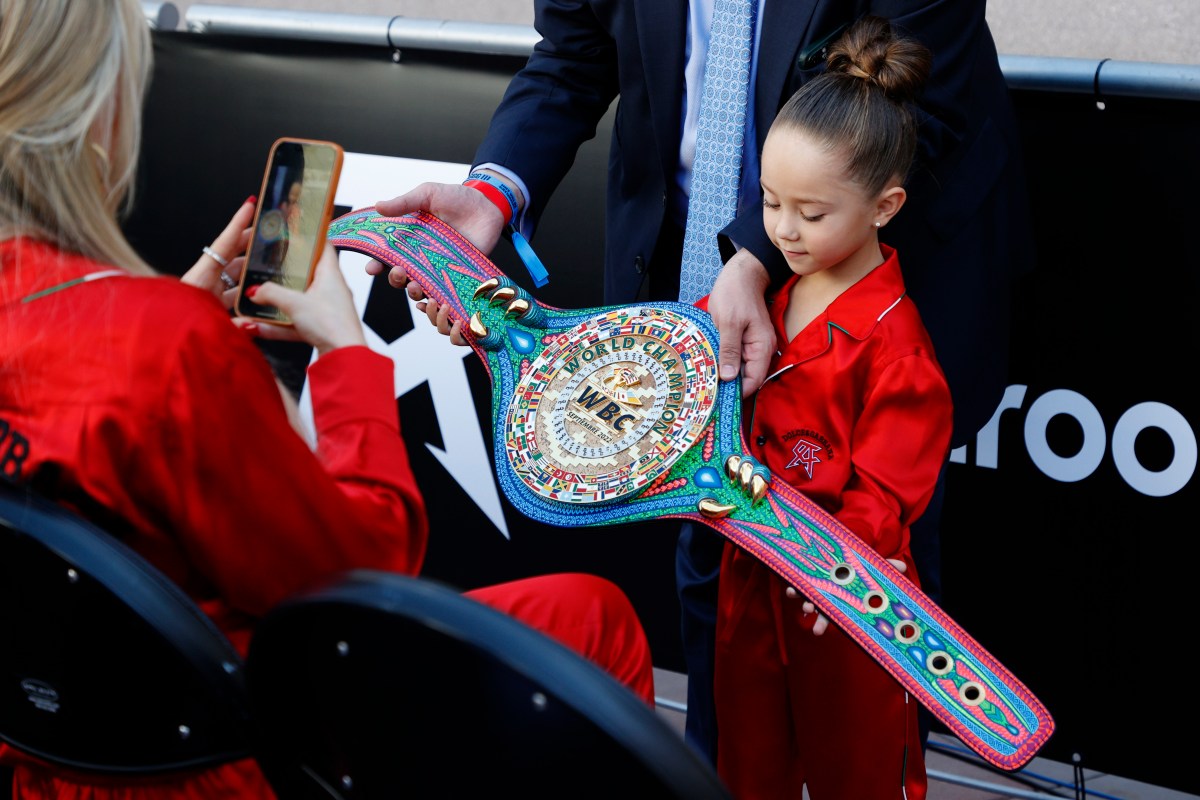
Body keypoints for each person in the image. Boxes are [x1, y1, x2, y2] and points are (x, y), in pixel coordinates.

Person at [0, 1, 654, 797]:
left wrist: (172, 314)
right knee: (594, 617)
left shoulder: (139, 332)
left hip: (52, 746)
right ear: (97, 109)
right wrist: (348, 350)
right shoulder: (163, 346)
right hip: (238, 754)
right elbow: (363, 580)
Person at [370, 0, 1033, 763]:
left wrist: (757, 251)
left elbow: (921, 101)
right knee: (718, 619)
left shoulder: (890, 341)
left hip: (855, 293)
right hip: (683, 281)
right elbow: (573, 53)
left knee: (863, 660)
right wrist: (493, 193)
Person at [707, 17, 949, 798]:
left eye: (812, 214)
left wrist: (845, 573)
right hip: (753, 569)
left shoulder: (896, 342)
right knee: (749, 761)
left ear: (886, 206)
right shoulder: (774, 289)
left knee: (862, 773)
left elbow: (886, 492)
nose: (782, 229)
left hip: (848, 598)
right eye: (772, 202)